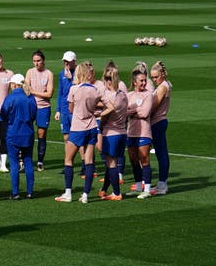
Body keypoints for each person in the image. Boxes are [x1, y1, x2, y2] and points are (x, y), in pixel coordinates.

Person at [56, 60, 101, 203]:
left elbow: (70, 109)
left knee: (68, 159)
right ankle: (86, 195)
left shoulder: (74, 89)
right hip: (92, 126)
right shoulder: (94, 90)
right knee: (89, 161)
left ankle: (68, 193)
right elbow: (98, 105)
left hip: (77, 128)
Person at [2, 73, 36, 199]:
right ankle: (30, 191)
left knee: (14, 163)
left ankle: (15, 192)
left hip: (13, 133)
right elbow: (33, 115)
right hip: (28, 133)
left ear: (15, 85)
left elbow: (4, 114)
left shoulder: (10, 98)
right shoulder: (30, 98)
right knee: (28, 161)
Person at [97, 63, 128, 201]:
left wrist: (99, 122)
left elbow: (104, 117)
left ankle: (116, 193)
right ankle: (104, 189)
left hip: (111, 133)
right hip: (122, 132)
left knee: (111, 163)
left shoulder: (109, 96)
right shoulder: (123, 95)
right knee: (111, 163)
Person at [126, 69, 154, 199]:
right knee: (133, 160)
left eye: (144, 80)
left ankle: (147, 189)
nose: (144, 83)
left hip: (144, 131)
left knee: (144, 159)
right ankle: (138, 187)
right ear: (134, 82)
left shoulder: (148, 95)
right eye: (141, 81)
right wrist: (136, 110)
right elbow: (124, 112)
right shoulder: (129, 95)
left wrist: (132, 110)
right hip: (131, 132)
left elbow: (145, 113)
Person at [26, 49, 55, 172]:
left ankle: (40, 161)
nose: (36, 63)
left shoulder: (49, 74)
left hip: (43, 107)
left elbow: (49, 94)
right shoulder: (30, 72)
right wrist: (36, 93)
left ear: (43, 61)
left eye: (38, 61)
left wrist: (34, 92)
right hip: (31, 106)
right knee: (27, 132)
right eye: (34, 61)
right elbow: (26, 89)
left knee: (41, 134)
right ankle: (25, 160)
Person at [148, 60, 172, 195]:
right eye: (152, 77)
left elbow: (153, 106)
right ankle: (161, 184)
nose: (154, 79)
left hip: (156, 122)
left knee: (160, 153)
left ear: (162, 74)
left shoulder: (163, 87)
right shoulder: (165, 84)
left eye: (156, 76)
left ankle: (160, 185)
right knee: (161, 153)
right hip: (160, 121)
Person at [55, 50, 77, 151]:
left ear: (74, 61)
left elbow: (80, 89)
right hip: (64, 110)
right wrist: (58, 110)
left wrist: (71, 79)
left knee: (77, 136)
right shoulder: (61, 74)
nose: (66, 64)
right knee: (66, 137)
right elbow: (60, 93)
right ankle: (68, 162)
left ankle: (84, 162)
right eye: (65, 61)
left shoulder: (79, 73)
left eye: (68, 61)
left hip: (75, 110)